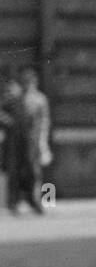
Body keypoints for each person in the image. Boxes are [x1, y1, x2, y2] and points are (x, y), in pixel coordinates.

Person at [1, 68, 49, 214]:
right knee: (18, 172)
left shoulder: (40, 99)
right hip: (21, 142)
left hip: (37, 140)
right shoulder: (17, 98)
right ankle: (17, 202)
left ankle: (45, 201)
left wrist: (44, 142)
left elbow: (45, 120)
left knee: (38, 173)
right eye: (26, 82)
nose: (29, 85)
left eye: (31, 82)